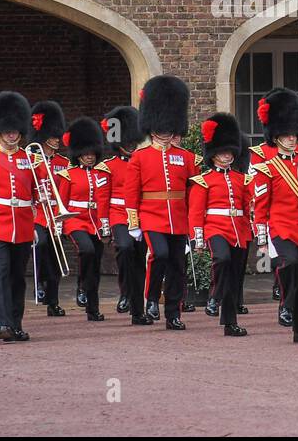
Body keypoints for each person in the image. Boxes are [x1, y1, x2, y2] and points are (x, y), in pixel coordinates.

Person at [0, 92, 49, 342]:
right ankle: (3, 323)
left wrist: (45, 198)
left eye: (15, 130)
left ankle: (16, 323)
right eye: (7, 130)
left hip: (23, 223)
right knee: (1, 273)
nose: (12, 134)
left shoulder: (33, 159)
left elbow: (40, 190)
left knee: (17, 277)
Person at [120, 75, 196, 331]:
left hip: (179, 217)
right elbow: (132, 192)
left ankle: (173, 313)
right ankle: (151, 297)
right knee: (159, 254)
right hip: (151, 215)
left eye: (168, 128)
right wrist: (133, 222)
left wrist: (194, 224)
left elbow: (193, 191)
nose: (165, 133)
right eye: (161, 128)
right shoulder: (140, 157)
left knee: (177, 265)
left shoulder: (186, 158)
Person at [250, 88, 298, 343]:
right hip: (280, 226)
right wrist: (261, 235)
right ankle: (286, 306)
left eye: (294, 134)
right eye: (286, 134)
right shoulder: (267, 167)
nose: (291, 138)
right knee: (290, 264)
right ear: (276, 136)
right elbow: (261, 204)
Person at [189, 113, 252, 337]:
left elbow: (248, 206)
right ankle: (213, 296)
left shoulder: (241, 179)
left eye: (229, 152)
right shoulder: (203, 180)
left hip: (239, 229)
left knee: (234, 276)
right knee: (221, 259)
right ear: (213, 154)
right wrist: (198, 237)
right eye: (222, 152)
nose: (226, 156)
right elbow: (196, 211)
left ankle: (230, 323)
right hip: (215, 227)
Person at [57, 116, 111, 322]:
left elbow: (104, 201)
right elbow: (61, 202)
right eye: (85, 153)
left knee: (95, 264)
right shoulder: (68, 175)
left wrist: (105, 225)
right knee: (86, 250)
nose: (89, 157)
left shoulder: (102, 174)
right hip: (75, 220)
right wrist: (59, 225)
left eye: (92, 153)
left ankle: (92, 308)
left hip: (95, 221)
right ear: (77, 154)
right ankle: (81, 284)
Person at [100, 105, 147, 322]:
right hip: (118, 213)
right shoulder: (108, 166)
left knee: (139, 260)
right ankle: (125, 292)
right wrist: (105, 226)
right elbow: (103, 199)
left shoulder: (144, 161)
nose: (130, 145)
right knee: (125, 248)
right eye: (126, 141)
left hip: (141, 213)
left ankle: (138, 312)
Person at [28, 101, 69, 316]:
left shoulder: (64, 162)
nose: (57, 140)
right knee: (41, 244)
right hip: (38, 213)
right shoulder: (31, 158)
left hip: (56, 214)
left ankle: (53, 301)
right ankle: (40, 283)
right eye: (54, 136)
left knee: (55, 258)